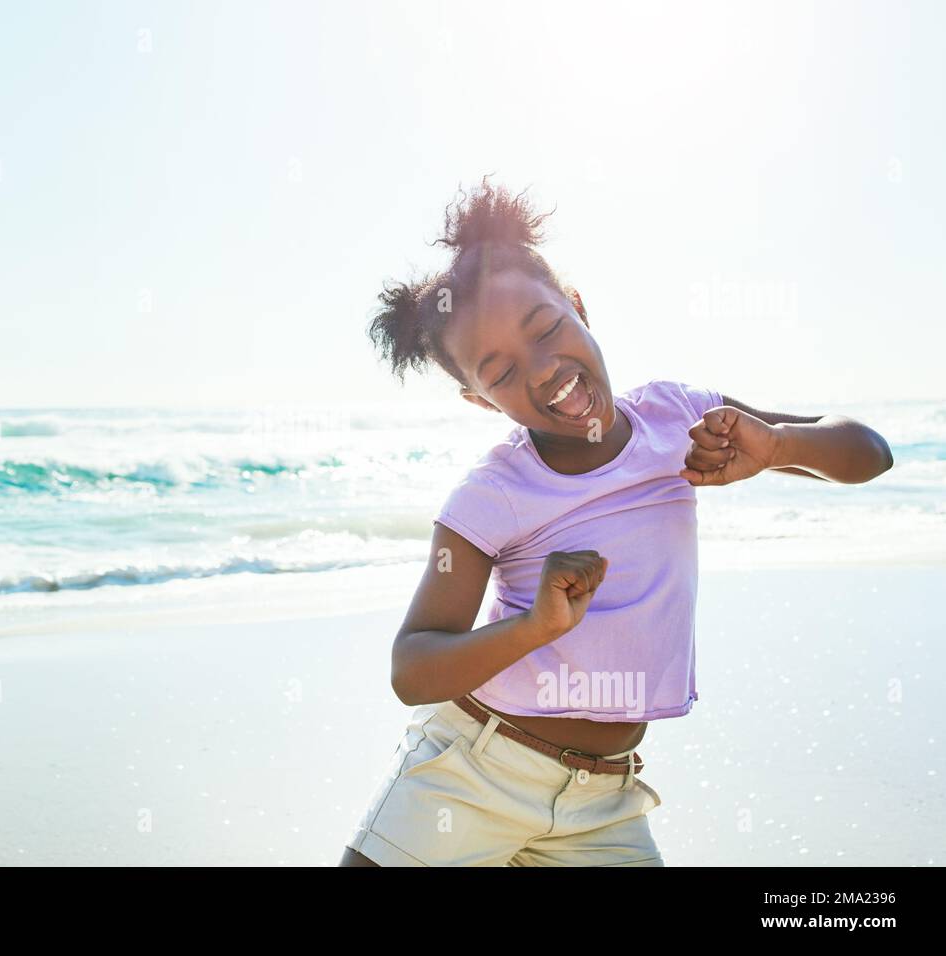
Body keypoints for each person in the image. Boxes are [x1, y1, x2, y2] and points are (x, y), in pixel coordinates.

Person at [339, 178, 894, 866]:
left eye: (546, 330)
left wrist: (781, 448)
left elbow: (869, 453)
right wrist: (534, 627)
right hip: (470, 776)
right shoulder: (490, 495)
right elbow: (413, 669)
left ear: (577, 307)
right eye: (501, 373)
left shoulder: (677, 416)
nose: (542, 371)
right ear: (480, 401)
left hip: (604, 803)